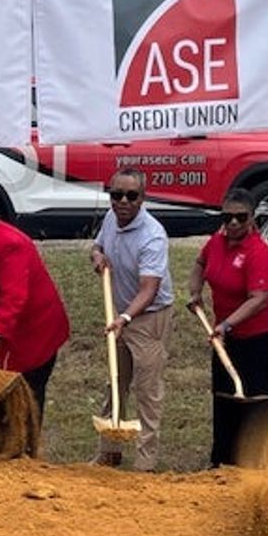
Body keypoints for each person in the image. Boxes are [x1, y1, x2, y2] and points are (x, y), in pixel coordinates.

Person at [188, 187, 268, 468]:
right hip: (223, 332)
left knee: (253, 397)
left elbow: (260, 299)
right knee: (224, 394)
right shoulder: (217, 240)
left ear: (252, 218)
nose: (232, 223)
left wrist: (227, 325)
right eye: (227, 216)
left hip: (257, 336)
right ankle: (221, 461)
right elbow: (200, 262)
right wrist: (195, 291)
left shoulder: (259, 252)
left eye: (241, 217)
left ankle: (253, 463)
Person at [88, 169, 174, 472]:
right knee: (114, 382)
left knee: (147, 391)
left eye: (131, 196)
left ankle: (145, 463)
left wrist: (125, 317)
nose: (123, 201)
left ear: (143, 198)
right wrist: (97, 256)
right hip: (120, 314)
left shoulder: (152, 236)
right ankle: (109, 452)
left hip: (149, 318)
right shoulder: (111, 218)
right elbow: (97, 246)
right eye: (116, 195)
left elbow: (149, 290)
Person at [0, 195, 69, 421]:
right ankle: (2, 447)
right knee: (4, 394)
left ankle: (27, 449)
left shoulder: (11, 245)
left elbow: (14, 297)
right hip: (6, 328)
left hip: (36, 329)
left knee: (28, 396)